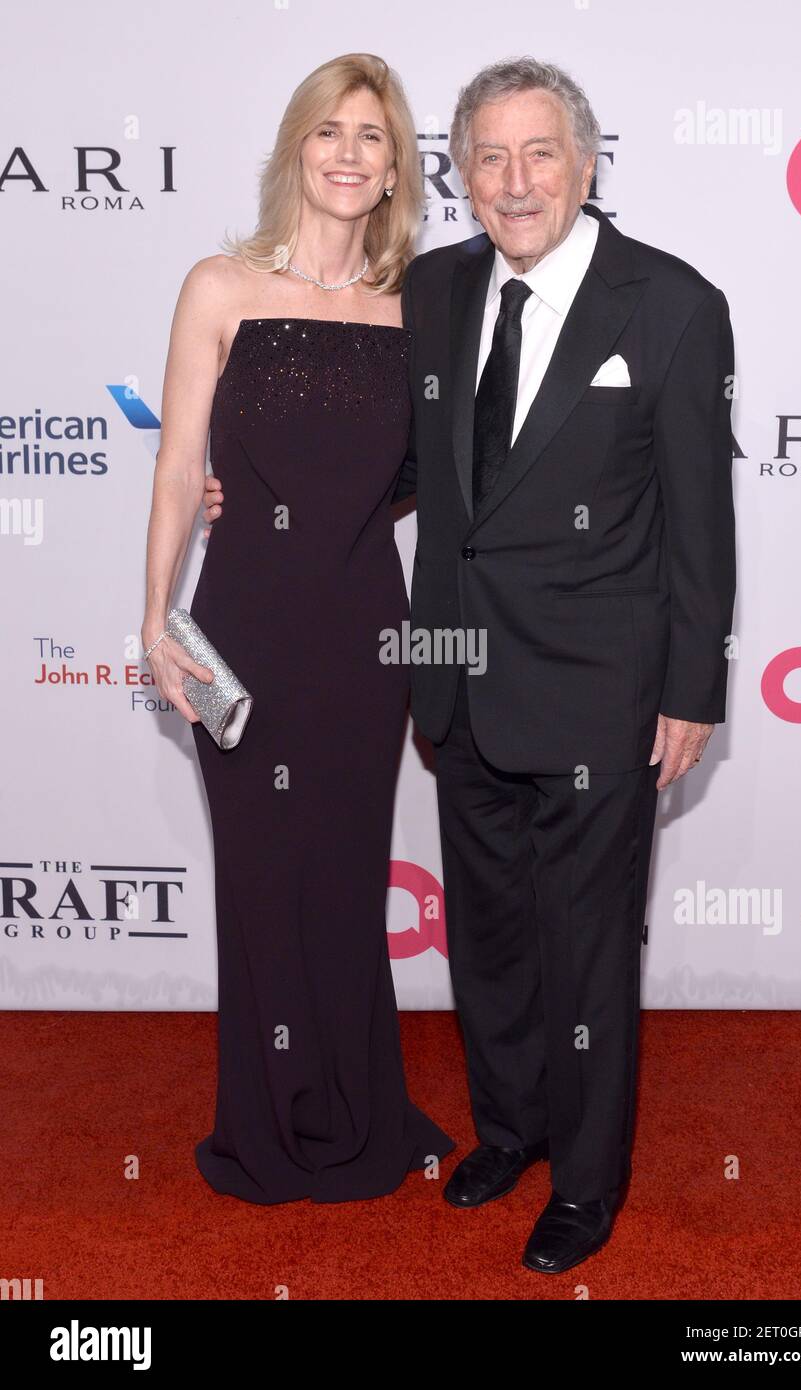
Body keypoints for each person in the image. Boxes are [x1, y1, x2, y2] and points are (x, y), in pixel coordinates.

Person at [205, 56, 736, 1271]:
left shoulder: (670, 303)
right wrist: (254, 481)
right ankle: (509, 1132)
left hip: (601, 690)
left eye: (538, 153)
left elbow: (700, 523)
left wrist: (690, 690)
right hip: (452, 674)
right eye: (487, 158)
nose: (514, 181)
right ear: (459, 176)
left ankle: (585, 1188)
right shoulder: (436, 289)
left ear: (585, 165)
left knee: (585, 951)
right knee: (490, 939)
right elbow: (398, 459)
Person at [141, 52, 454, 1206]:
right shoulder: (220, 287)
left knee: (344, 875)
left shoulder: (415, 310)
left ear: (395, 168)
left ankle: (356, 1110)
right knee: (263, 876)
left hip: (367, 634)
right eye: (328, 131)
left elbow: (431, 473)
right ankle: (269, 1122)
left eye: (371, 136)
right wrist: (153, 617)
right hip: (244, 632)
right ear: (296, 150)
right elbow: (179, 465)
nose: (347, 154)